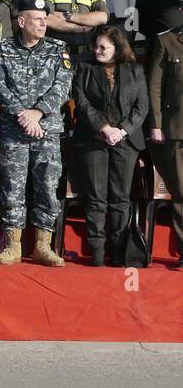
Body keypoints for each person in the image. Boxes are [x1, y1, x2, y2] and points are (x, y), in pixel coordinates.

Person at [0, 0, 74, 267]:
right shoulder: (3, 48)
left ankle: (43, 245)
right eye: (37, 18)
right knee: (12, 187)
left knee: (48, 187)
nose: (43, 23)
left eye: (45, 18)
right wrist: (21, 113)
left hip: (46, 131)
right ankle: (13, 245)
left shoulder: (58, 49)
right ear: (21, 21)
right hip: (14, 130)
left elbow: (63, 86)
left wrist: (37, 113)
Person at [73, 25, 146, 267]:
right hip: (93, 139)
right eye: (95, 46)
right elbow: (81, 102)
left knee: (120, 198)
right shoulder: (85, 68)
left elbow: (141, 107)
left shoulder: (134, 70)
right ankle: (95, 253)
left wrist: (122, 131)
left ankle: (118, 253)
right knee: (96, 198)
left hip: (126, 142)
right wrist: (104, 128)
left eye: (103, 47)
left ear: (118, 47)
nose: (98, 50)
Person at [146, 6, 183, 268]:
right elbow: (155, 86)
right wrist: (156, 124)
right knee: (181, 191)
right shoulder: (166, 40)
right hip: (176, 128)